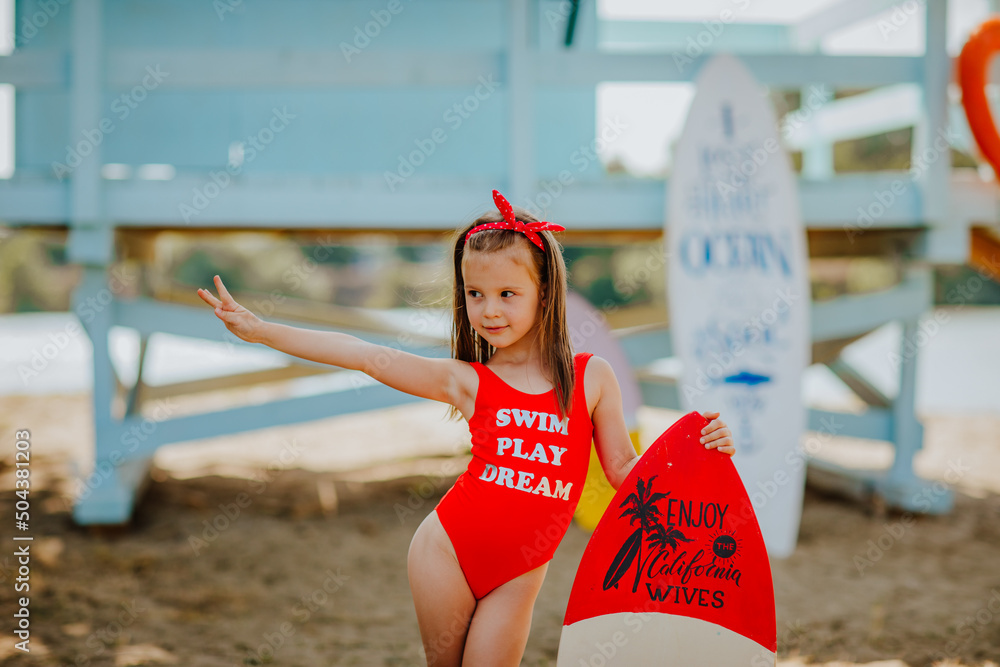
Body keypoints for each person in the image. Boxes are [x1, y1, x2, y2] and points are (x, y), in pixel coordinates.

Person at [196, 189, 735, 666]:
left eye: (507, 294)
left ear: (545, 293)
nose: (489, 310)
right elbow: (365, 355)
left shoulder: (591, 377)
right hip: (446, 553)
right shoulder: (468, 381)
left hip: (519, 574)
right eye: (475, 294)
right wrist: (263, 331)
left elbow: (625, 472)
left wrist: (702, 456)